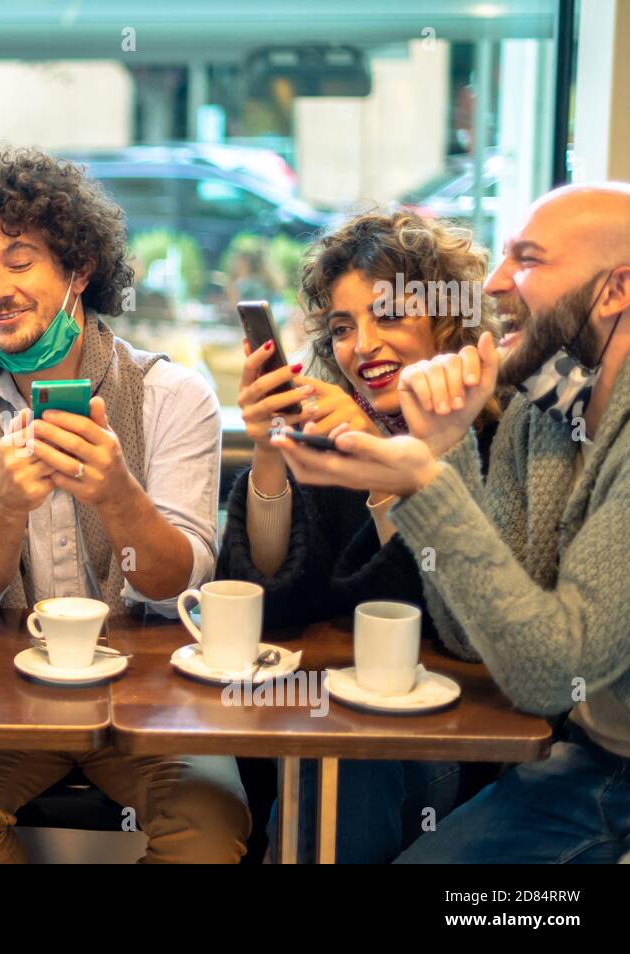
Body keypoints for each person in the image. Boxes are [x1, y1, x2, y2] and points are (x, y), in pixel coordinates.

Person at [0, 145, 250, 863]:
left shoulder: (173, 397)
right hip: (4, 693)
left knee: (211, 830)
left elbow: (181, 584)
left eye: (20, 261)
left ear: (80, 269)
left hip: (150, 691)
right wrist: (2, 505)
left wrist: (118, 495)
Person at [272, 184, 630, 863]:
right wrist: (440, 445)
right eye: (343, 327)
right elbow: (472, 641)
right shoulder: (543, 411)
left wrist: (423, 478)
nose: (493, 285)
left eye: (527, 260)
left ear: (616, 290)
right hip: (586, 755)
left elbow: (553, 673)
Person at [216, 211, 503, 862]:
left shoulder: (492, 438)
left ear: (448, 319)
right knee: (333, 748)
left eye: (388, 316)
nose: (362, 346)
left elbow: (457, 621)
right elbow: (264, 602)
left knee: (346, 757)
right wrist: (268, 449)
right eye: (344, 328)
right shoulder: (328, 432)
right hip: (318, 726)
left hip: (449, 741)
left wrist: (380, 463)